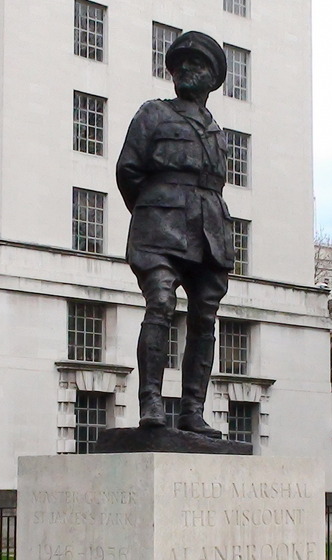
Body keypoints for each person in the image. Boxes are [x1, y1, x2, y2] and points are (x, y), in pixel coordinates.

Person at [116, 31, 234, 438]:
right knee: (161, 303)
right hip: (159, 227)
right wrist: (154, 207)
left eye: (196, 65)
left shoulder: (218, 132)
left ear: (213, 79)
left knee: (204, 317)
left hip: (209, 232)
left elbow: (215, 184)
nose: (185, 70)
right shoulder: (153, 113)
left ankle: (192, 412)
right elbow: (128, 171)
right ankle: (151, 402)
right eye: (179, 64)